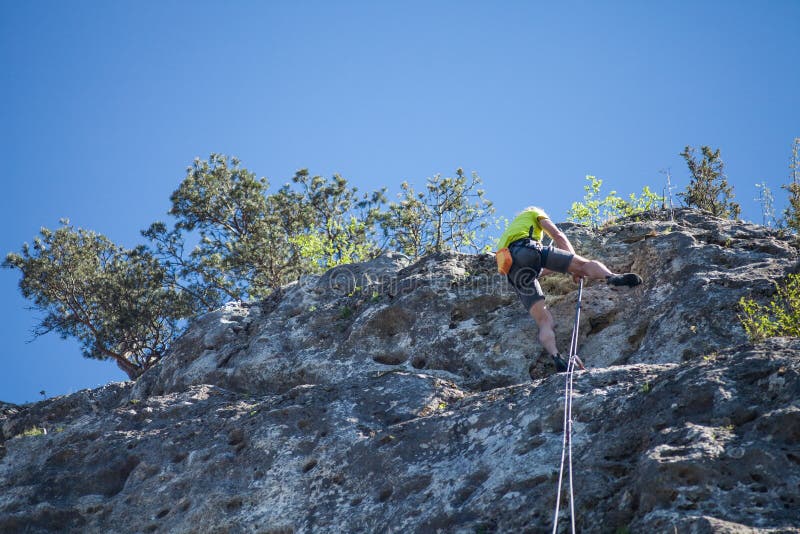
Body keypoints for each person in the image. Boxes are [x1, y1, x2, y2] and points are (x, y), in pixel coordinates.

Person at [496, 206, 642, 373]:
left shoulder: (506, 237)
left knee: (544, 321)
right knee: (584, 264)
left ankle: (556, 356)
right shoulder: (534, 213)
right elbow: (558, 235)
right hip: (526, 249)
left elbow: (536, 271)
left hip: (514, 273)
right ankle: (612, 277)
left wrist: (567, 268)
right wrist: (575, 266)